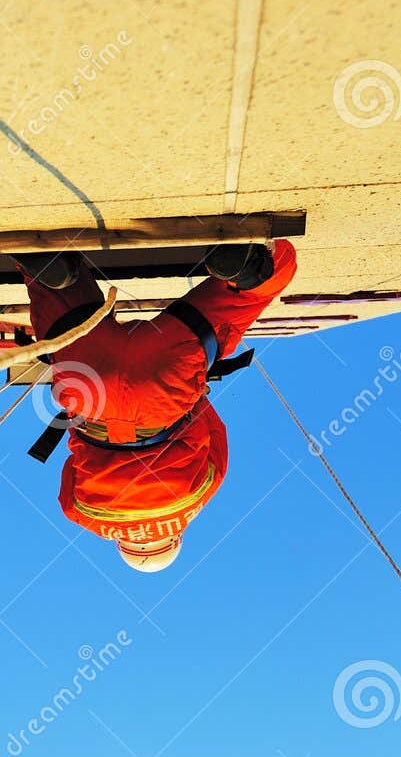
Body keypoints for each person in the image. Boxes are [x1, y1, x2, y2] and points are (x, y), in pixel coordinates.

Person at [20, 240, 298, 572]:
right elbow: (71, 467)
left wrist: (190, 381)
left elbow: (209, 423)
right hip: (90, 393)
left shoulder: (200, 497)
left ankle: (242, 271)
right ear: (122, 545)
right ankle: (56, 273)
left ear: (176, 539)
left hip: (164, 391)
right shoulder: (82, 515)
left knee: (248, 296)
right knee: (62, 316)